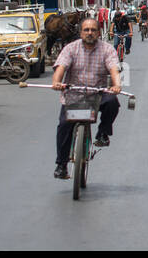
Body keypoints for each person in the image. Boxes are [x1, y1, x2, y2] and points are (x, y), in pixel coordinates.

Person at [51, 17, 121, 180]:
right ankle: (61, 165)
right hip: (73, 95)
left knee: (113, 102)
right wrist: (56, 82)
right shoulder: (70, 49)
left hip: (97, 93)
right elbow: (61, 68)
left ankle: (102, 134)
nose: (90, 33)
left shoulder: (107, 49)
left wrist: (116, 86)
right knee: (63, 126)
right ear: (80, 32)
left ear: (98, 32)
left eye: (93, 30)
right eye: (86, 30)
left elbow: (114, 70)